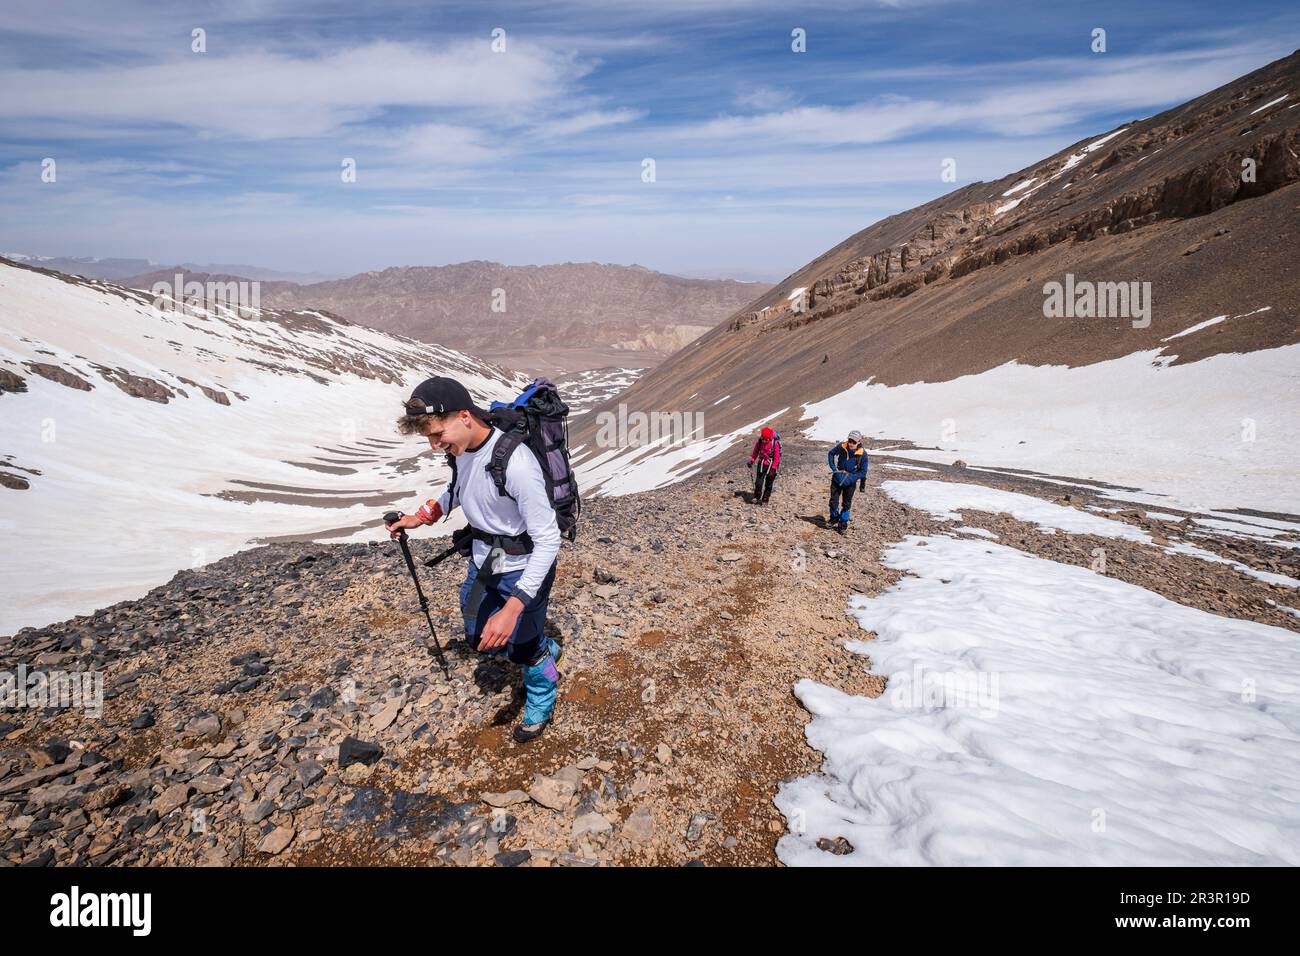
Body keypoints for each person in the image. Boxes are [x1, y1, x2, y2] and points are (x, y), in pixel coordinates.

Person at [385, 376, 563, 744]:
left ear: (465, 416)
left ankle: (541, 693)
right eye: (430, 439)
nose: (435, 446)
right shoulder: (462, 452)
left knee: (524, 647)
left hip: (524, 564)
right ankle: (532, 644)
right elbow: (458, 488)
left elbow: (548, 541)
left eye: (438, 434)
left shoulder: (516, 463)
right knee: (476, 631)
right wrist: (421, 516)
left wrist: (513, 608)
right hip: (491, 557)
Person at [826, 429, 868, 534]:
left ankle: (843, 524)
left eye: (854, 442)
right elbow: (831, 454)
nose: (851, 443)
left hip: (850, 482)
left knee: (846, 504)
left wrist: (851, 479)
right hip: (837, 478)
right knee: (833, 501)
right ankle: (834, 518)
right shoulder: (842, 446)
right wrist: (834, 469)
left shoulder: (863, 454)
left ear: (859, 441)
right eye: (850, 440)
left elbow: (863, 472)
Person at [747, 426, 781, 505]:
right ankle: (757, 496)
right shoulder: (759, 442)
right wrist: (752, 461)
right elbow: (755, 452)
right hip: (761, 464)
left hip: (772, 465)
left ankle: (765, 498)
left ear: (770, 438)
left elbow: (777, 457)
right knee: (758, 482)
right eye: (763, 439)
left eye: (766, 439)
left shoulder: (775, 444)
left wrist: (773, 468)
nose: (764, 441)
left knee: (769, 483)